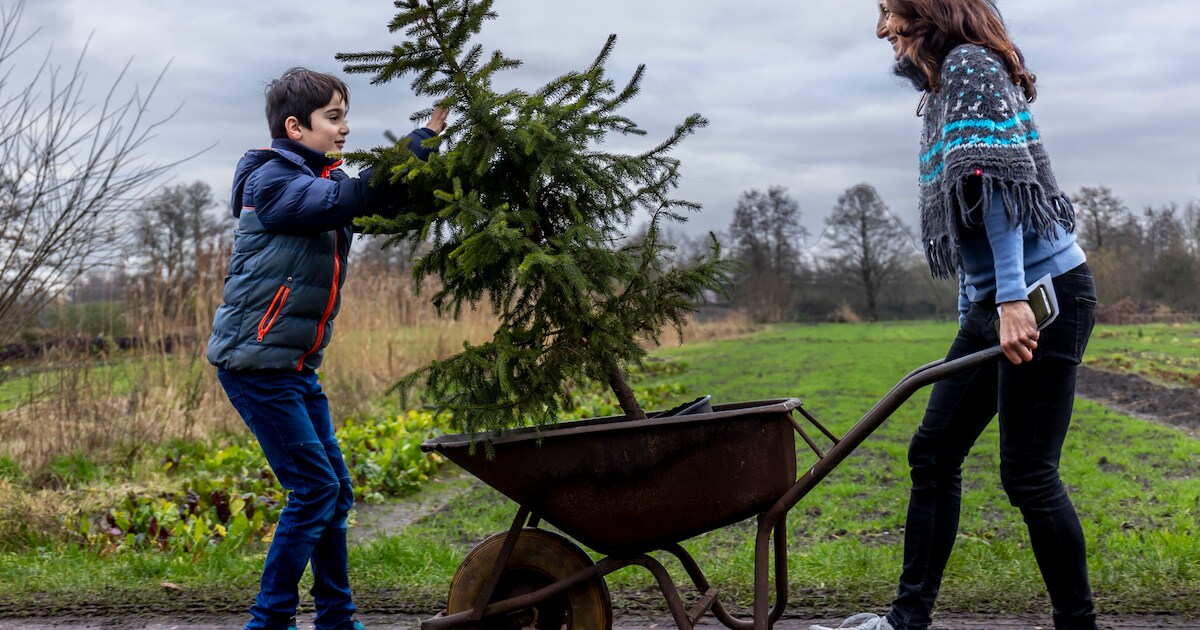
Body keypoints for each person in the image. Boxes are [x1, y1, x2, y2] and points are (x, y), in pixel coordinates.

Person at [813, 2, 1098, 629]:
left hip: (1042, 296)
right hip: (1005, 295)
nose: (882, 27)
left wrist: (1011, 299)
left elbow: (995, 190)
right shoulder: (948, 82)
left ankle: (1079, 625)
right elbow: (973, 203)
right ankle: (905, 622)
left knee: (1027, 473)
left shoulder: (969, 65)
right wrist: (981, 301)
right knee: (934, 452)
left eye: (890, 9)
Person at [206, 67, 447, 630]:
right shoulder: (274, 181)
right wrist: (422, 139)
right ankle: (269, 623)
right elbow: (357, 196)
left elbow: (374, 201)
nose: (344, 129)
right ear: (295, 126)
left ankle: (337, 619)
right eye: (333, 118)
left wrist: (439, 168)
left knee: (334, 492)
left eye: (345, 117)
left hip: (292, 366)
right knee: (314, 490)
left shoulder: (318, 178)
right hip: (257, 364)